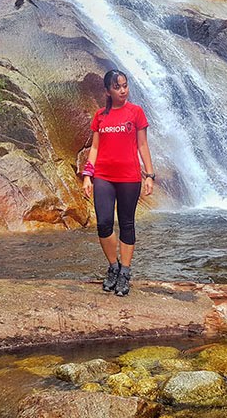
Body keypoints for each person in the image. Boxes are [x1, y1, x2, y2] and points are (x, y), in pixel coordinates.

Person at [81, 69, 155, 297]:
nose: (123, 91)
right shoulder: (100, 116)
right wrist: (87, 175)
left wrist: (150, 175)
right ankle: (113, 266)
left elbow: (142, 145)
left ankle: (125, 272)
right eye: (117, 87)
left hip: (129, 177)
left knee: (126, 224)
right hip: (103, 175)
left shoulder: (136, 113)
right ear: (107, 91)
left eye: (125, 85)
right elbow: (94, 147)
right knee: (103, 223)